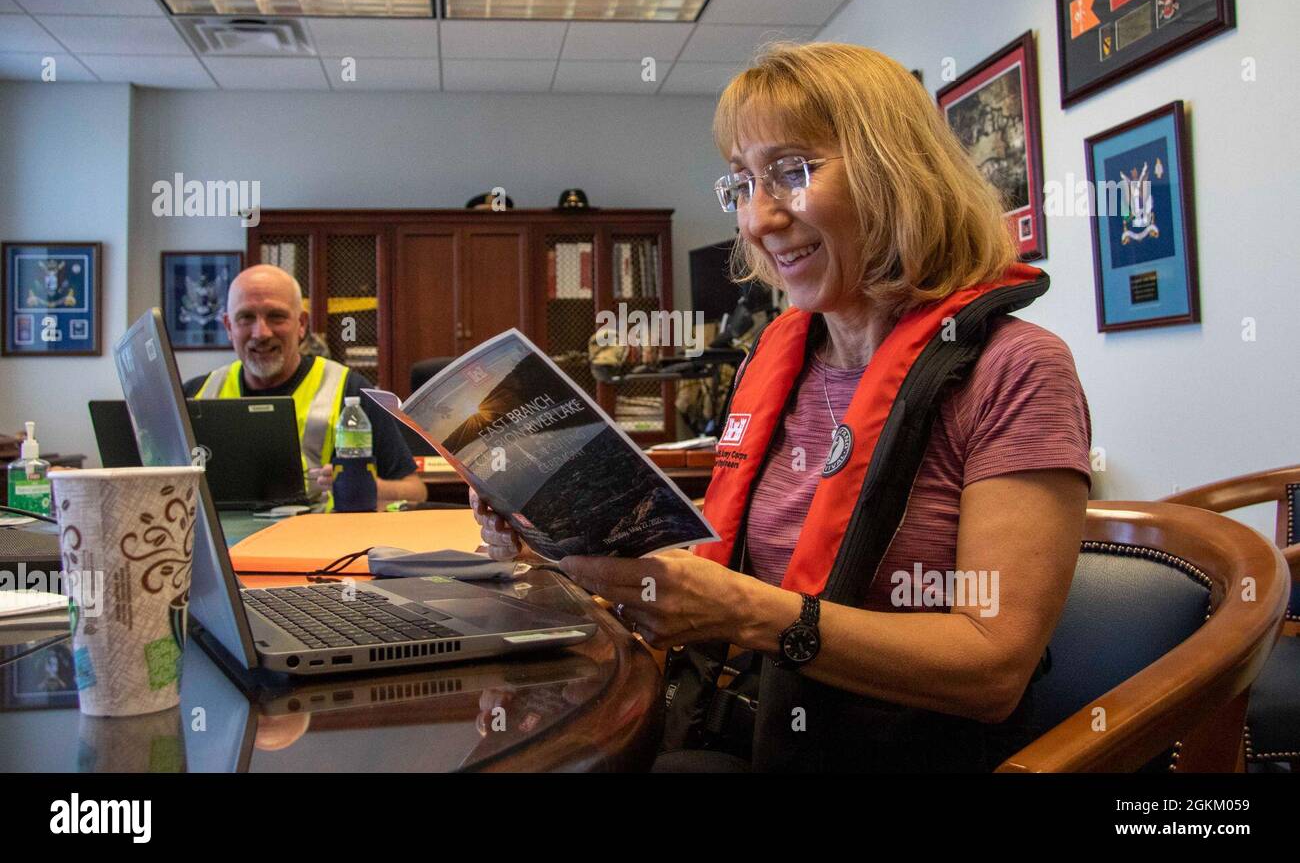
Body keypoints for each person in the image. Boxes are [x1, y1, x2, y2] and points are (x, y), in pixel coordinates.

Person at [471, 42, 1092, 772]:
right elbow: (737, 574)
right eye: (740, 183)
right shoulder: (777, 360)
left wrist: (742, 613)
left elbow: (994, 669)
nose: (758, 218)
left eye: (792, 172)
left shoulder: (1018, 369)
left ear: (897, 173)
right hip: (737, 727)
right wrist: (563, 546)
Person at [182, 264, 425, 508]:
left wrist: (360, 482)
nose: (261, 332)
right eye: (246, 318)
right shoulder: (193, 394)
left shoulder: (351, 390)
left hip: (321, 541)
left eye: (276, 316)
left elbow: (415, 491)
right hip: (226, 542)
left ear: (301, 324)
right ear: (228, 327)